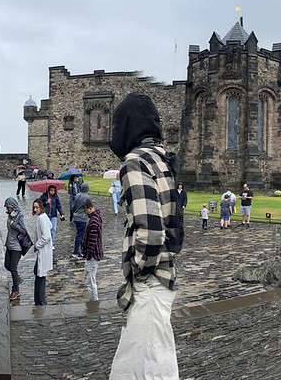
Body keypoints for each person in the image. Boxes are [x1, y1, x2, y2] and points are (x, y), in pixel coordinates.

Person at [108, 93, 181, 378]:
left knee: (146, 371)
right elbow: (174, 230)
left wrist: (140, 271)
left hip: (150, 283)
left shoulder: (135, 162)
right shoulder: (163, 160)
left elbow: (151, 232)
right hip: (163, 279)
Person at [4, 196, 30, 302]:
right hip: (9, 245)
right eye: (7, 207)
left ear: (14, 206)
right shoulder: (10, 215)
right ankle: (17, 279)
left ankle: (16, 291)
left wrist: (14, 224)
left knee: (13, 268)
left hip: (16, 247)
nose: (8, 209)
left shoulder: (20, 216)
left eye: (9, 207)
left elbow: (24, 231)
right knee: (7, 265)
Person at [33, 199, 54, 306]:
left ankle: (41, 301)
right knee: (38, 274)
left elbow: (46, 236)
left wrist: (37, 245)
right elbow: (50, 226)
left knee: (40, 277)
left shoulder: (42, 218)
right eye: (34, 207)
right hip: (43, 252)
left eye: (37, 207)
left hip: (43, 251)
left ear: (41, 207)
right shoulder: (44, 217)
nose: (35, 209)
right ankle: (38, 300)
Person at [84, 200, 104, 301]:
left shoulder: (93, 221)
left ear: (90, 208)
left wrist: (88, 253)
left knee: (91, 280)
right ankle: (93, 299)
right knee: (90, 278)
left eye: (86, 210)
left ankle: (94, 301)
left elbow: (92, 240)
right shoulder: (96, 218)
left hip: (93, 255)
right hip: (94, 253)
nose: (86, 213)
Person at [71, 181, 92, 259]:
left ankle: (81, 251)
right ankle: (76, 252)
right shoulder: (87, 197)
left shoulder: (77, 195)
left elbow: (73, 207)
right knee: (80, 235)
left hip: (76, 217)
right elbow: (90, 208)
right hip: (82, 218)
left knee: (80, 235)